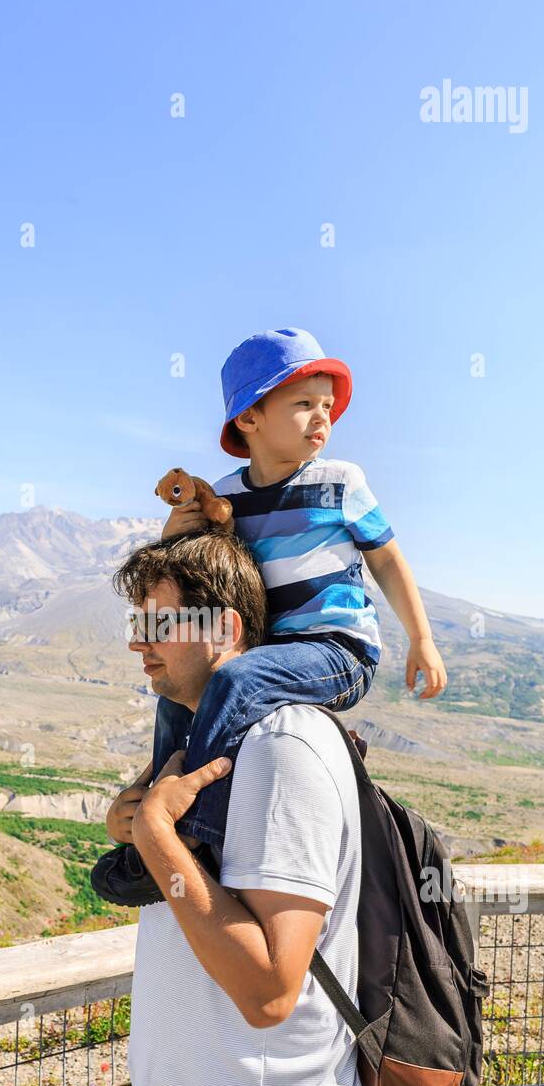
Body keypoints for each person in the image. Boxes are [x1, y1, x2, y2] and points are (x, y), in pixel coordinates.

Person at [93, 326, 446, 905]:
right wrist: (179, 521)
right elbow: (189, 580)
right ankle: (147, 826)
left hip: (335, 652)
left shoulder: (341, 483)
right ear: (250, 419)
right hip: (264, 653)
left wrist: (422, 638)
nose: (321, 418)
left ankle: (195, 835)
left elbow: (387, 559)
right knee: (172, 699)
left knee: (233, 677)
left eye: (327, 406)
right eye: (303, 403)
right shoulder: (230, 496)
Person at [114, 530, 365, 1086]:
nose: (141, 645)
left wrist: (158, 836)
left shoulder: (283, 748)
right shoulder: (210, 746)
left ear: (225, 629)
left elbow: (268, 989)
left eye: (160, 625)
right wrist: (138, 829)